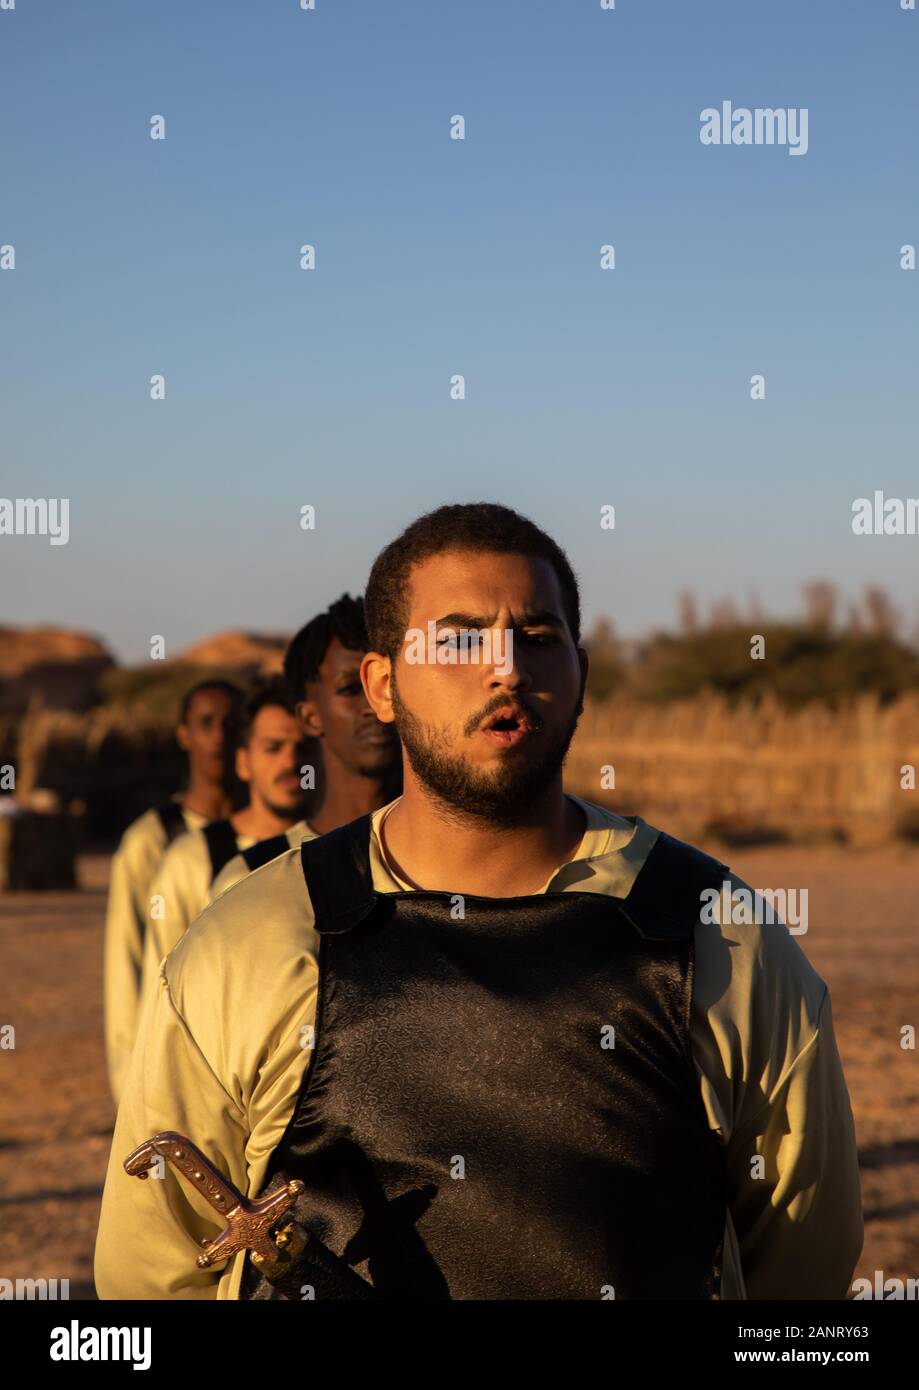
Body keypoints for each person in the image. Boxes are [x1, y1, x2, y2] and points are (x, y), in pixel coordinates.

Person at [95, 502, 863, 1301]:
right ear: (382, 686)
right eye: (459, 639)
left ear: (580, 675)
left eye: (537, 638)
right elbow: (155, 1272)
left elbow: (800, 1269)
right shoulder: (253, 937)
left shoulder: (716, 935)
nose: (507, 669)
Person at [102, 679, 242, 1103]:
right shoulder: (150, 841)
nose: (219, 735)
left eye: (231, 723)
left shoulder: (271, 837)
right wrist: (132, 1087)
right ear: (185, 734)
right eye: (206, 723)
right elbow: (125, 969)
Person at [208, 594, 401, 901]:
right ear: (310, 717)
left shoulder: (467, 861)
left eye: (389, 682)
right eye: (351, 688)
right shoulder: (251, 881)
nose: (374, 703)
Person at [136, 679, 309, 1005]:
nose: (291, 763)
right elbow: (160, 995)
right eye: (273, 748)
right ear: (243, 761)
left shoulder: (338, 853)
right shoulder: (190, 860)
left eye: (304, 748)